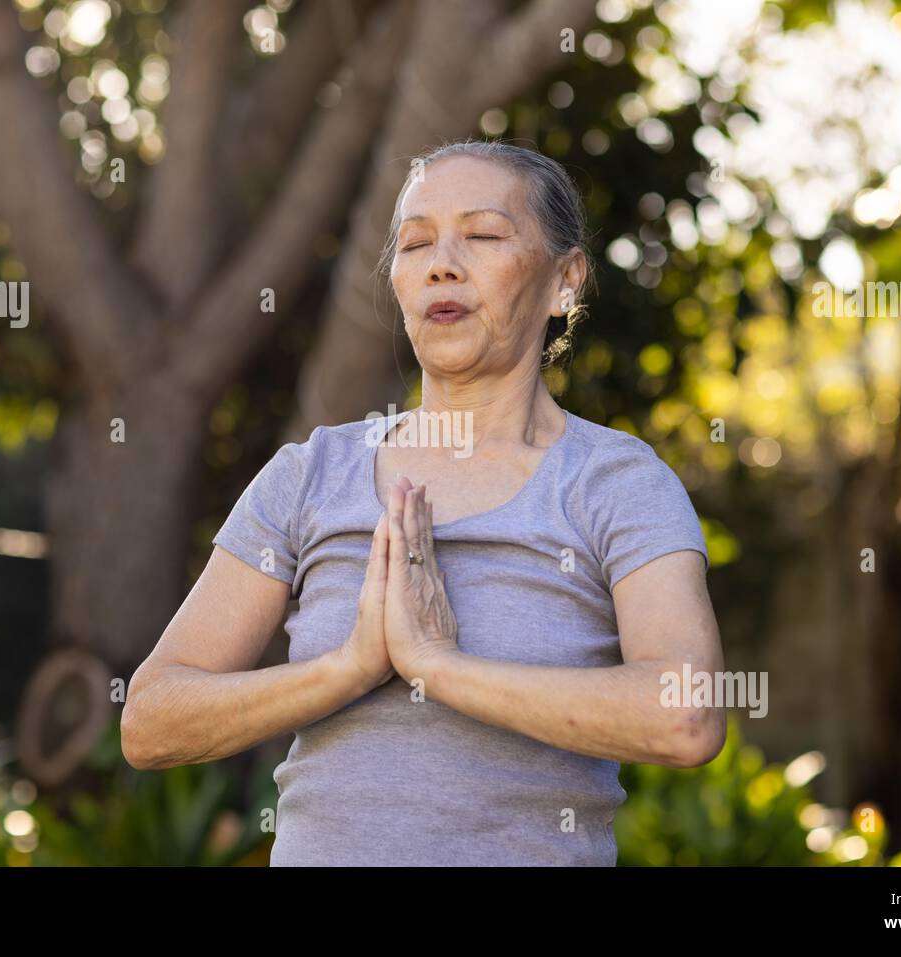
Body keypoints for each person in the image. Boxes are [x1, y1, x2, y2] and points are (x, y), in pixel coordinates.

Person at [121, 140, 726, 866]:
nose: (442, 261)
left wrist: (438, 667)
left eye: (483, 234)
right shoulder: (312, 473)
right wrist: (347, 669)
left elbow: (686, 715)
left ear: (566, 279)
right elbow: (150, 722)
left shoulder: (616, 482)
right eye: (416, 243)